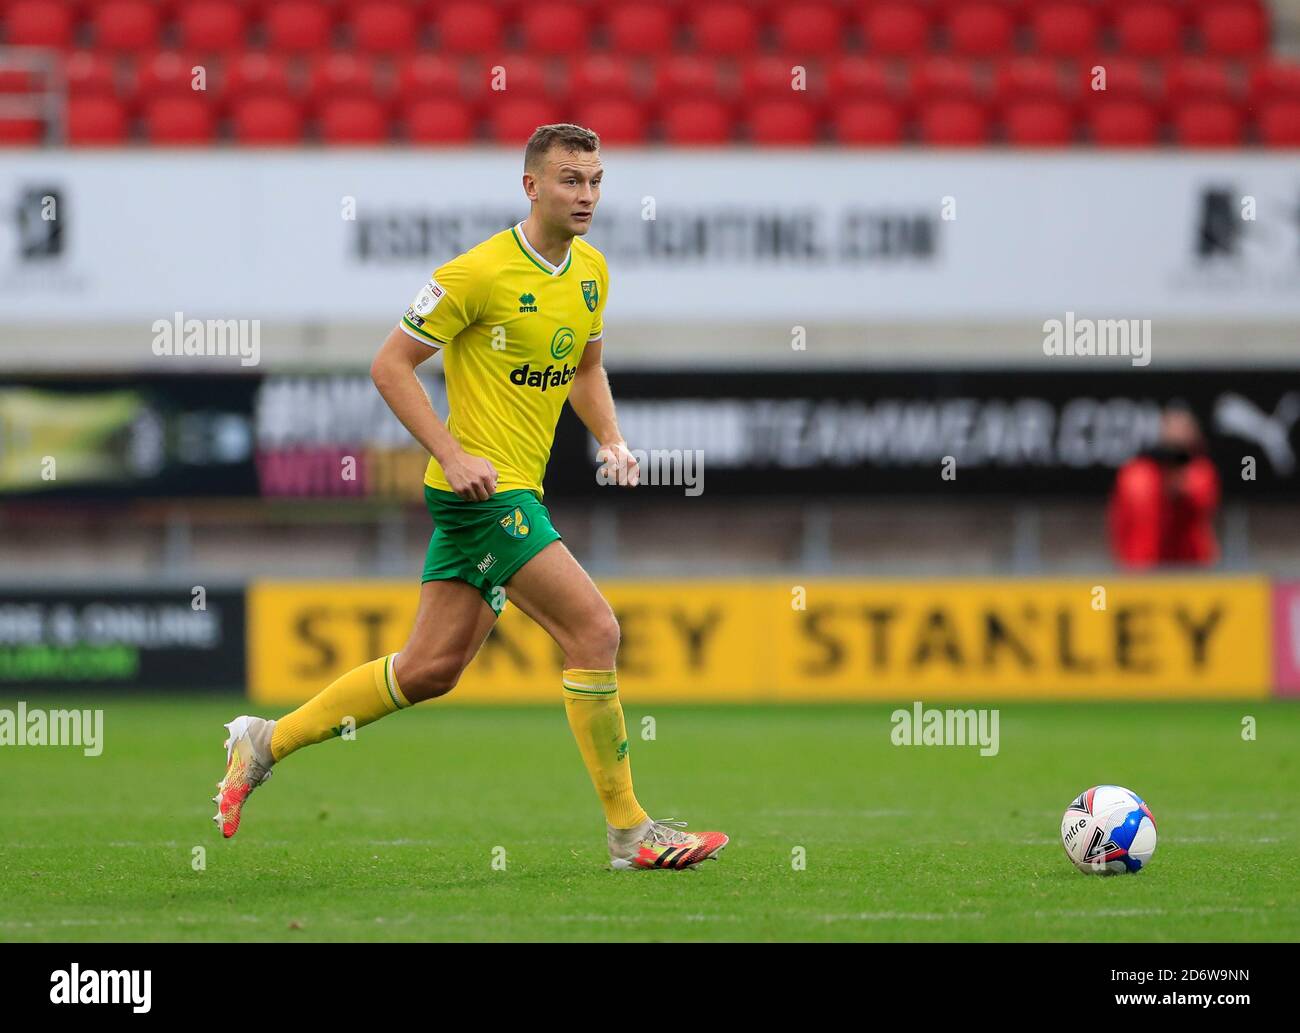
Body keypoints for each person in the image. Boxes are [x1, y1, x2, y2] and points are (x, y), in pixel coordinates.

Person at [212, 124, 728, 872]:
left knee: (429, 669)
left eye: (594, 181)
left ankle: (263, 741)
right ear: (531, 187)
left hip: (510, 490)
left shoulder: (591, 273)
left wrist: (610, 438)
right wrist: (451, 454)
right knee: (595, 630)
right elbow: (390, 365)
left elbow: (585, 367)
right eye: (569, 181)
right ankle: (630, 833)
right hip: (484, 495)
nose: (585, 196)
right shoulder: (475, 273)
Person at [1108, 407, 1221, 569]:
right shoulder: (1137, 475)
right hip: (1142, 569)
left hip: (1191, 568)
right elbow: (1121, 522)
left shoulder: (1201, 472)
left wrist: (1180, 484)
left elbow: (1202, 506)